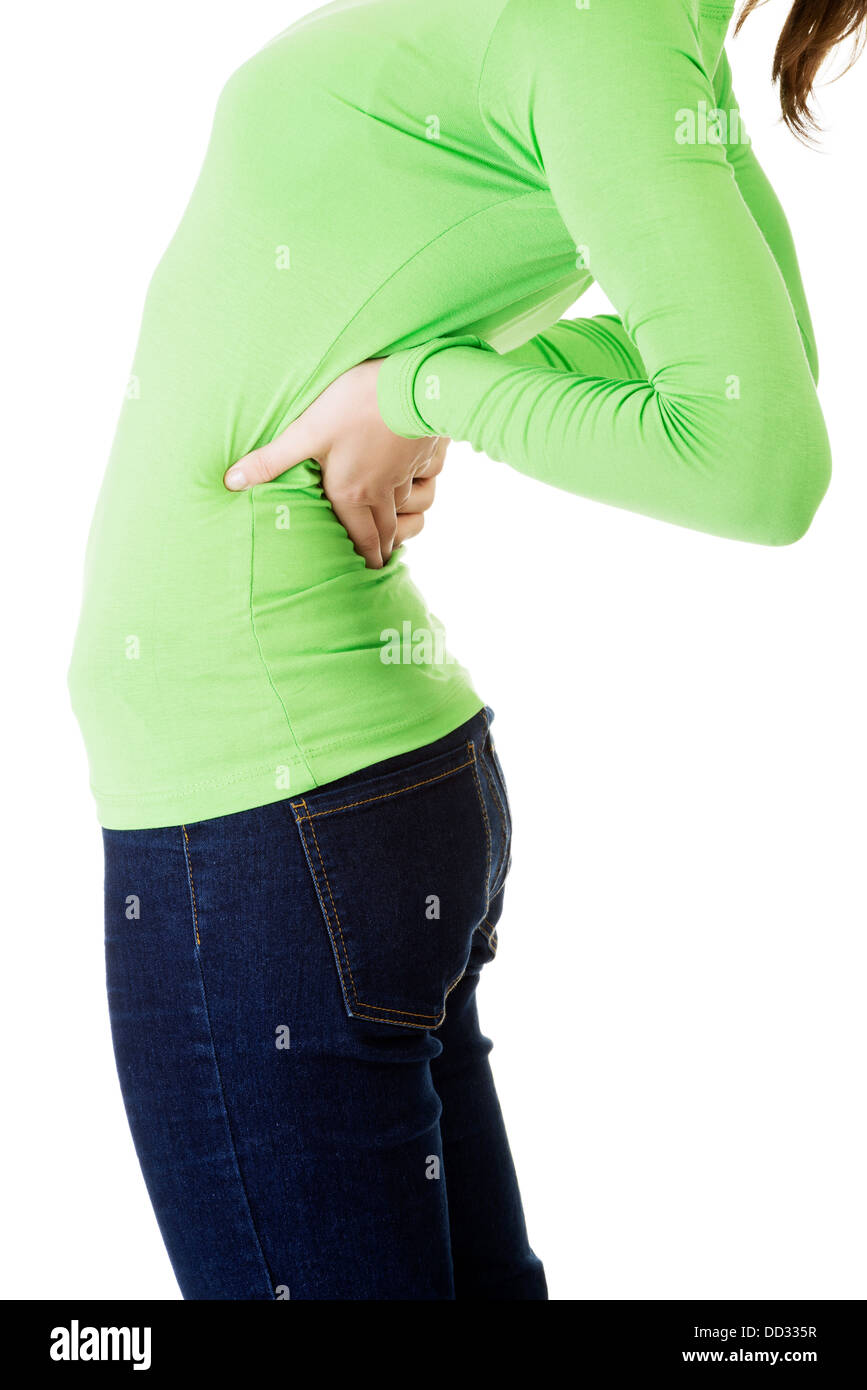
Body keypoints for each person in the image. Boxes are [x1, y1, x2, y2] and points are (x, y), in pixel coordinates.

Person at [68, 0, 862, 1299]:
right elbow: (764, 361)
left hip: (269, 808)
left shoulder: (612, 27)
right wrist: (433, 379)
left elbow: (761, 453)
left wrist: (426, 391)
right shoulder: (634, 32)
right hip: (329, 803)